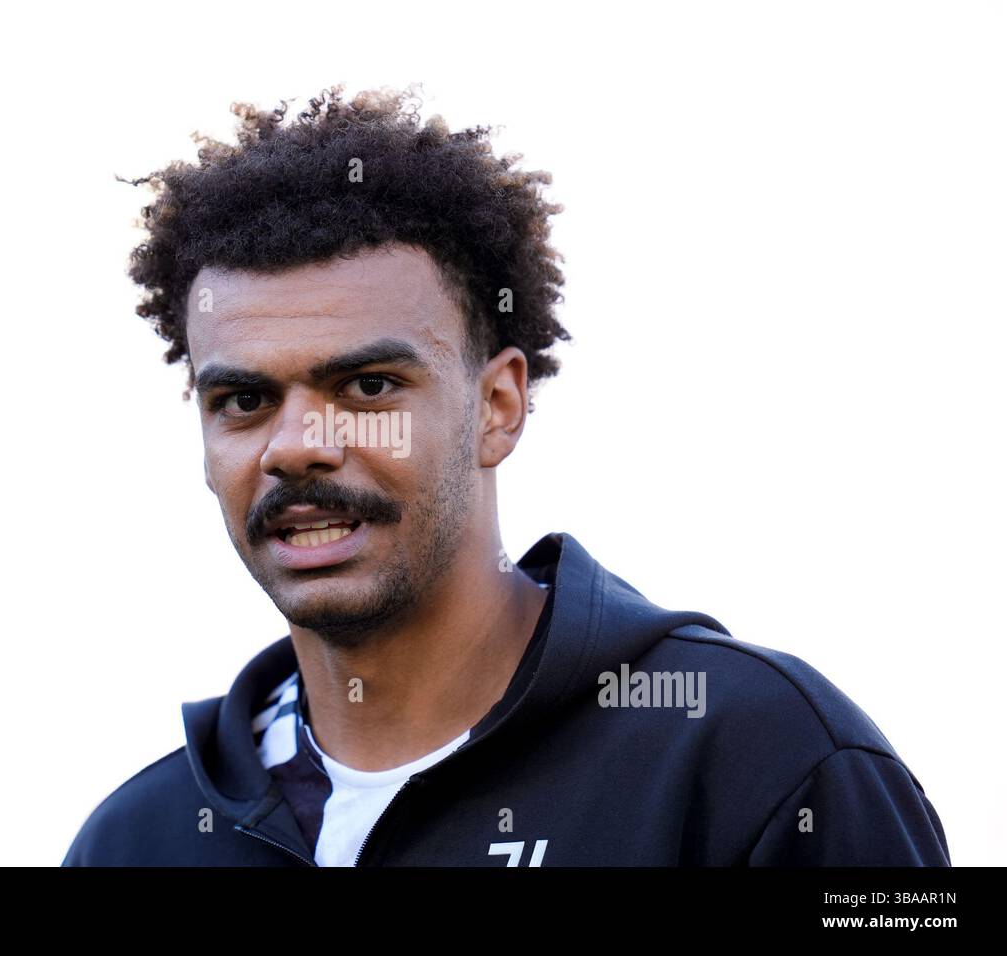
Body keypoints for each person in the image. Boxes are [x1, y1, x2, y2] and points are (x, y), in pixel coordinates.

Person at [61, 85, 950, 866]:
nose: (296, 445)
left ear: (499, 406)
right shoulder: (136, 839)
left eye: (368, 387)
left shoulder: (770, 762)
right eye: (244, 399)